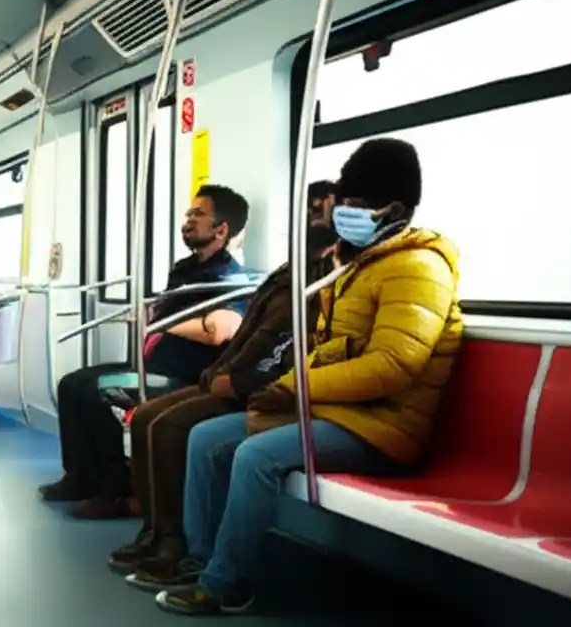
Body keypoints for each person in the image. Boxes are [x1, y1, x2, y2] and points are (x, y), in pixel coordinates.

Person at [159, 139, 462, 615]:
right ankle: (200, 559)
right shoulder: (359, 266)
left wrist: (294, 387)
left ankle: (227, 584)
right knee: (205, 438)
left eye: (358, 206)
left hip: (383, 426)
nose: (345, 215)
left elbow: (393, 365)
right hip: (337, 411)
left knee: (254, 455)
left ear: (395, 209)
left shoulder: (417, 268)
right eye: (345, 204)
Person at [110, 181, 338, 588]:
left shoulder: (321, 281)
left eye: (317, 213)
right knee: (146, 416)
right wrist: (219, 375)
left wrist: (234, 380)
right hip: (228, 377)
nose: (306, 221)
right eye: (303, 212)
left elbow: (268, 342)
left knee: (170, 426)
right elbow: (256, 335)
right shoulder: (286, 273)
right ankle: (157, 531)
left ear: (223, 229)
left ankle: (177, 543)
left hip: (260, 389)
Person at [38, 184, 251, 520]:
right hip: (153, 363)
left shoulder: (231, 278)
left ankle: (115, 489)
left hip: (180, 375)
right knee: (71, 384)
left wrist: (163, 325)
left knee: (95, 390)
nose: (188, 221)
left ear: (221, 229)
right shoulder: (184, 270)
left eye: (198, 214)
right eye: (188, 213)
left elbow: (222, 329)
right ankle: (81, 477)